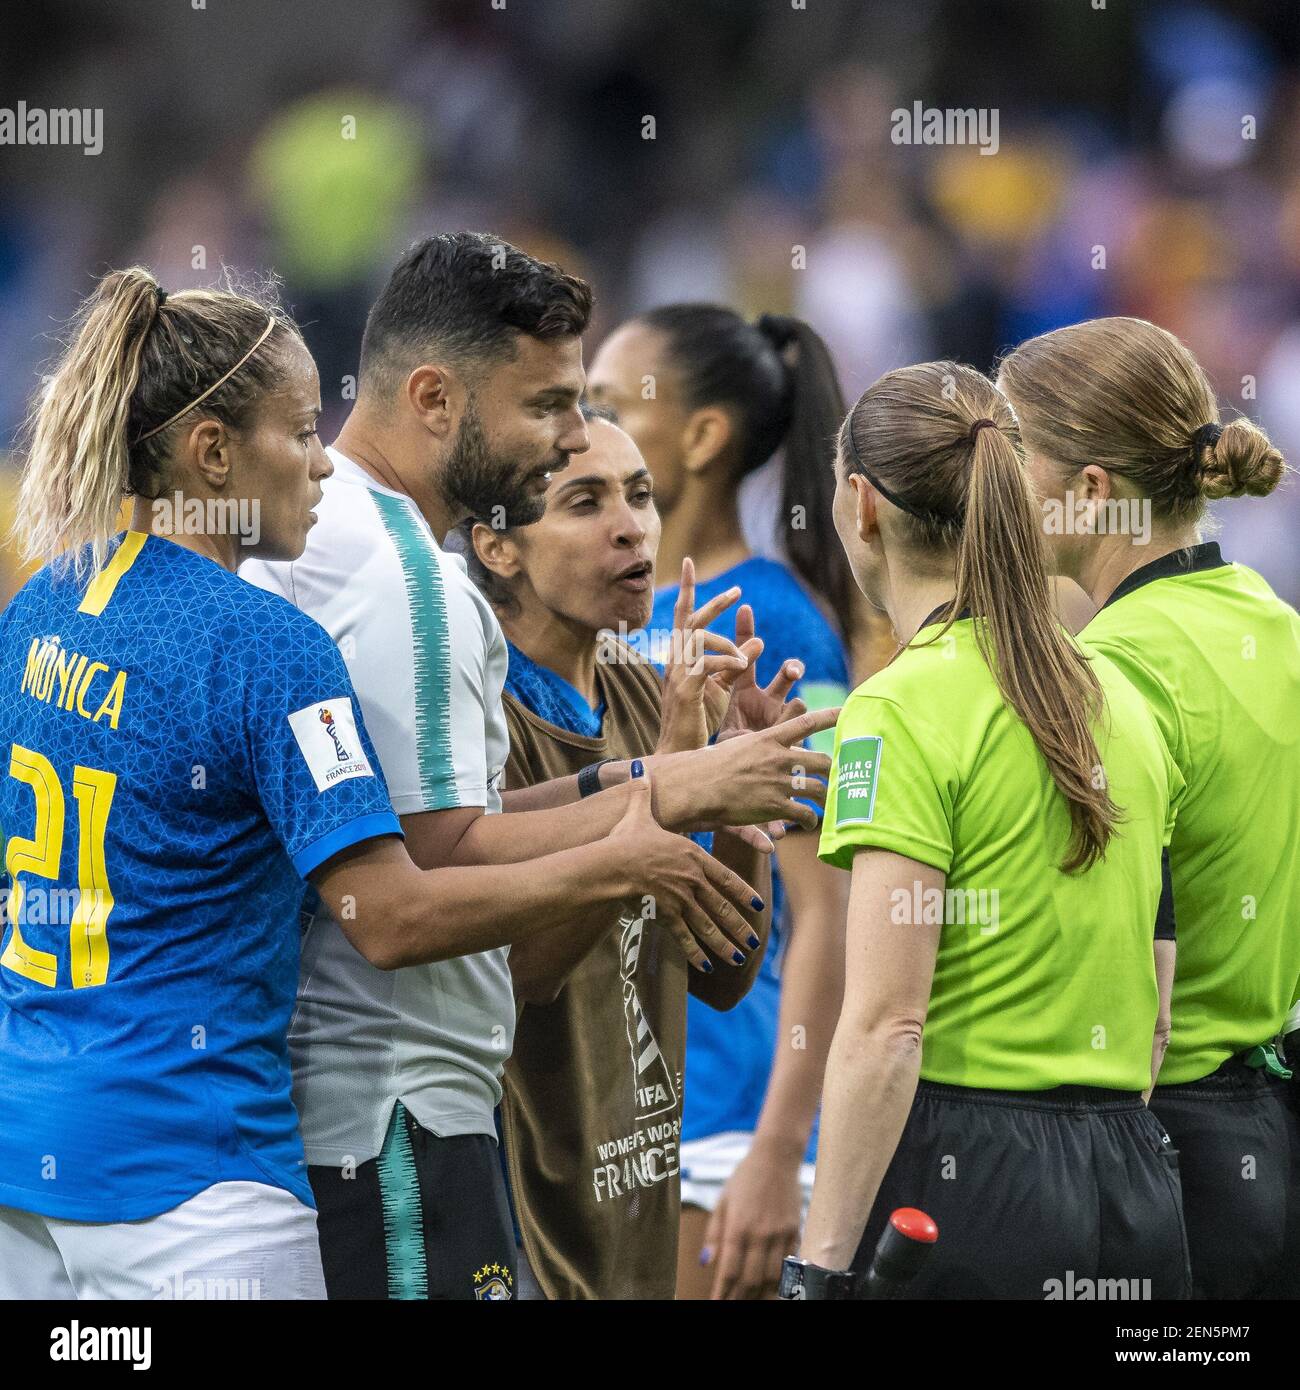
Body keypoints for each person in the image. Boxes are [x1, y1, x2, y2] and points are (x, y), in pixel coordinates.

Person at [0, 268, 751, 1300]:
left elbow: (410, 828)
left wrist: (644, 783)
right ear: (212, 453)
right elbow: (391, 912)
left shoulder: (46, 600)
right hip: (190, 1184)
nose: (321, 463)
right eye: (300, 432)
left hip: (31, 1163)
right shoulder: (270, 644)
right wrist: (620, 855)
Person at [241, 234, 829, 1300]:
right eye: (551, 407)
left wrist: (689, 797)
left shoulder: (331, 543)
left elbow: (723, 959)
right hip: (401, 1114)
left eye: (638, 492)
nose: (567, 441)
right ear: (432, 396)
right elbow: (414, 890)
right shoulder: (407, 581)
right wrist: (653, 813)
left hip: (438, 1138)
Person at [791, 360, 1189, 1300]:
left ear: (861, 506)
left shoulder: (895, 707)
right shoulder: (1121, 695)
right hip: (1134, 1183)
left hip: (969, 1183)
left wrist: (818, 1266)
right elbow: (1159, 1012)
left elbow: (888, 1026)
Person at [459, 408, 835, 1299]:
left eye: (640, 495)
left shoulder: (652, 685)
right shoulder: (478, 716)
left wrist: (743, 815)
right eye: (583, 502)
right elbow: (515, 982)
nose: (631, 526)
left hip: (636, 1205)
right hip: (521, 1224)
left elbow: (724, 973)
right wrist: (666, 793)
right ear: (499, 549)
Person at [999, 316, 1300, 1299]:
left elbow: (1102, 943)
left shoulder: (1111, 666)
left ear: (1091, 492)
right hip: (1270, 1126)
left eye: (1015, 458)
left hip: (1165, 1143)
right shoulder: (1275, 624)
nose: (996, 490)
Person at [588, 305, 851, 1299]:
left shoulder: (775, 620)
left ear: (700, 438)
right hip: (633, 1101)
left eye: (609, 403)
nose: (584, 422)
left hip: (727, 1111)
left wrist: (779, 1149)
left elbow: (824, 903)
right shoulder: (613, 605)